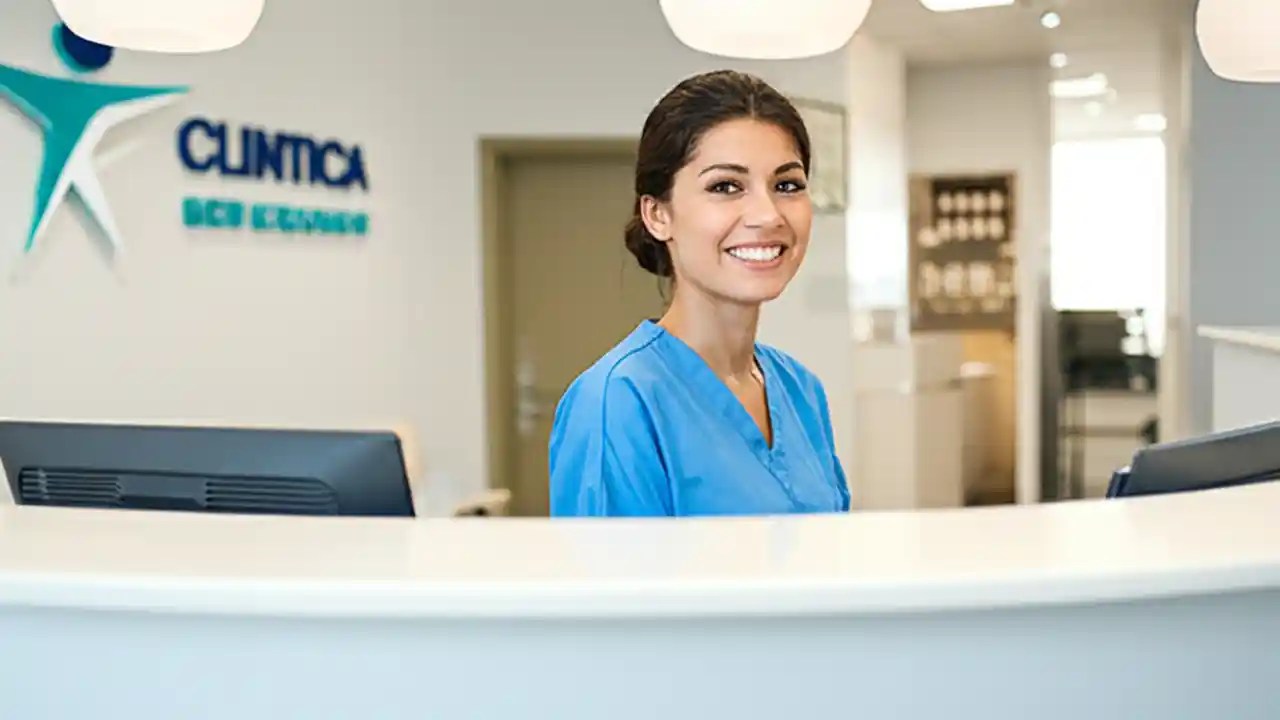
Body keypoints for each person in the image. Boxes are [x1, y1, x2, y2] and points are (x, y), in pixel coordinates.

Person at [547, 70, 850, 517]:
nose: (767, 215)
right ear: (657, 215)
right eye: (725, 186)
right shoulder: (617, 403)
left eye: (787, 185)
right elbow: (612, 584)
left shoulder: (800, 389)